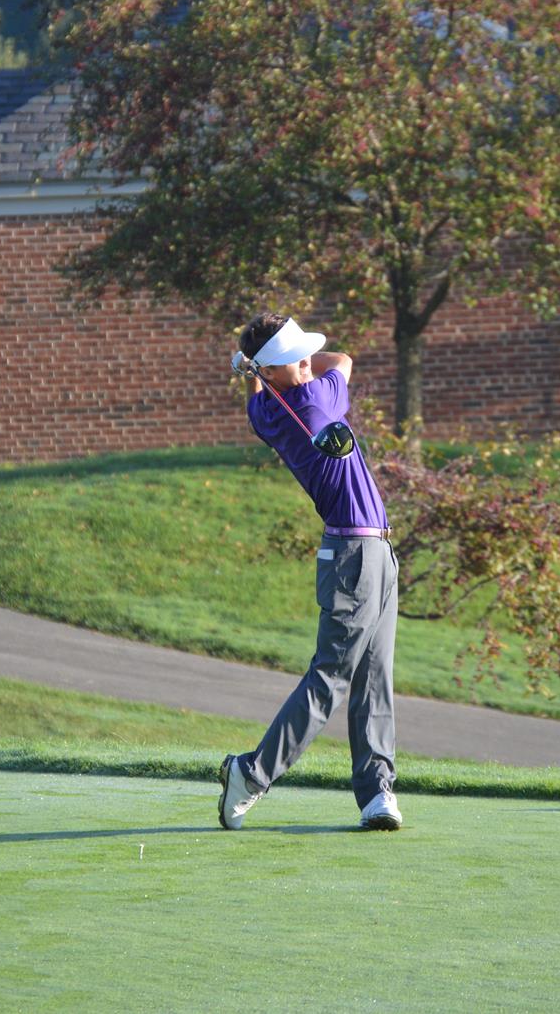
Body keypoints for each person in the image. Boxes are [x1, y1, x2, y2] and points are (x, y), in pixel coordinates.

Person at [217, 312, 402, 831]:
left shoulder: (265, 409)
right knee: (333, 676)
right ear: (275, 372)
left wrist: (257, 368)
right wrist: (268, 365)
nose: (305, 362)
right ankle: (251, 774)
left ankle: (376, 792)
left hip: (375, 552)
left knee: (375, 674)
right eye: (292, 360)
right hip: (352, 555)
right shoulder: (315, 397)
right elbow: (341, 359)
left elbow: (271, 384)